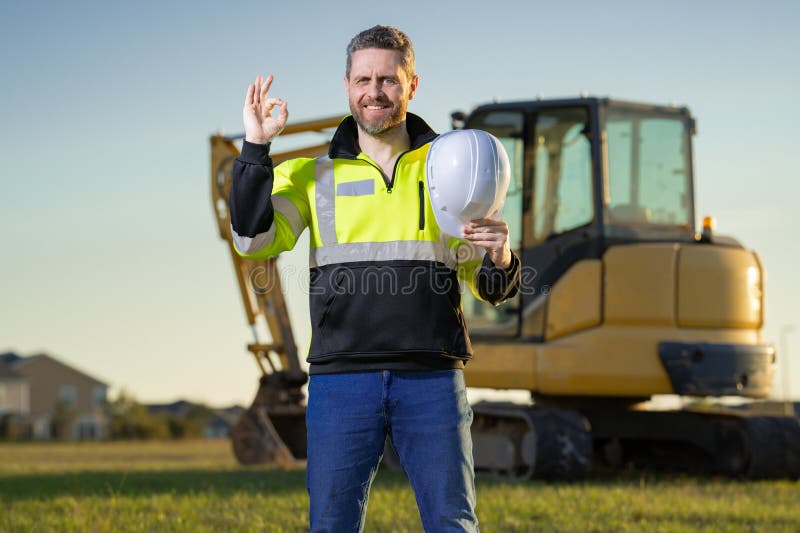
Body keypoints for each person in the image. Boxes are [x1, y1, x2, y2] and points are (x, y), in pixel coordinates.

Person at [229, 25, 520, 533]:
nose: (375, 91)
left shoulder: (453, 166)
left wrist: (501, 255)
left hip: (431, 378)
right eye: (363, 79)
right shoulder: (311, 175)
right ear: (347, 86)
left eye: (388, 79)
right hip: (341, 382)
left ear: (412, 85)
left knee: (452, 523)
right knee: (332, 525)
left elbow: (489, 286)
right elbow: (252, 240)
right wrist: (255, 147)